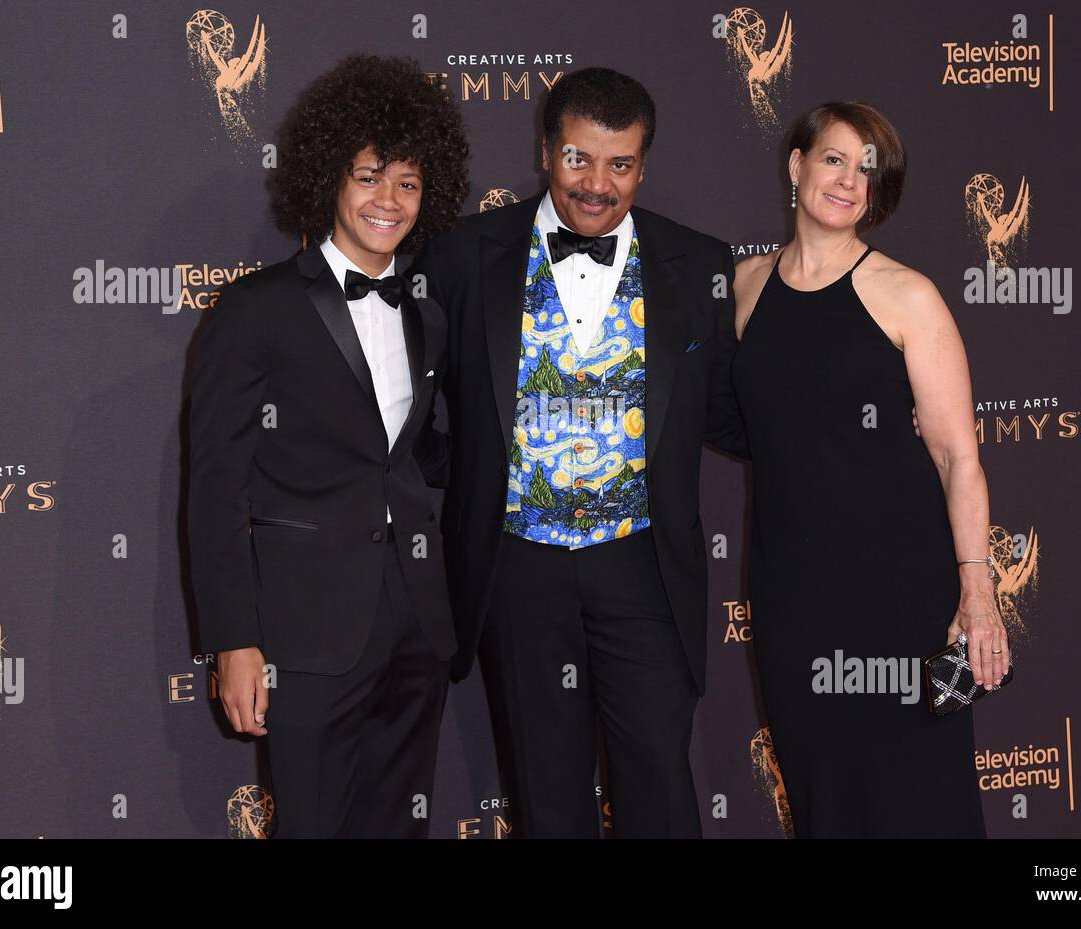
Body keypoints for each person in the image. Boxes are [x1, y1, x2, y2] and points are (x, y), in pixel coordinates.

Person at [413, 67, 745, 837]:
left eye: (619, 164)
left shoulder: (699, 264)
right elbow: (414, 405)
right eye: (578, 159)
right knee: (546, 793)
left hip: (644, 565)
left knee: (659, 784)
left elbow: (729, 414)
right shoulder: (462, 255)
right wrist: (475, 476)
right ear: (545, 152)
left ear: (643, 166)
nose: (597, 185)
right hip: (518, 566)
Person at [187, 55, 469, 838]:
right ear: (330, 178)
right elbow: (216, 487)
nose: (389, 200)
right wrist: (233, 641)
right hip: (306, 633)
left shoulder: (426, 312)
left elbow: (415, 454)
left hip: (416, 625)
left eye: (408, 182)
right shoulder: (255, 308)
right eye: (370, 176)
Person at [730, 101, 1008, 837]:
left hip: (901, 593)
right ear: (797, 165)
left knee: (921, 795)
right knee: (821, 793)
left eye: (867, 169)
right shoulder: (745, 287)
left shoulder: (908, 295)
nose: (849, 181)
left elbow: (957, 456)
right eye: (834, 159)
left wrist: (977, 590)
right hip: (792, 595)